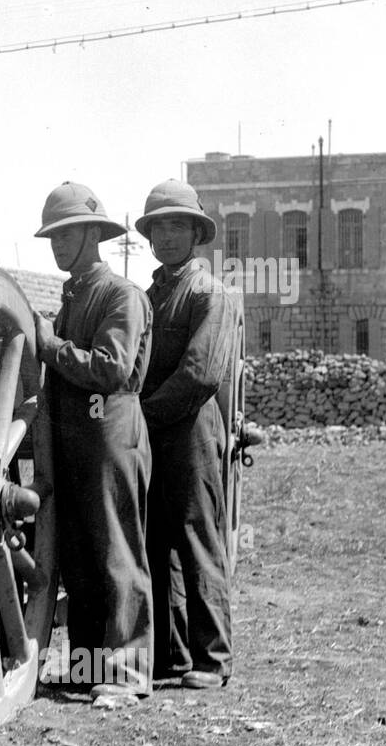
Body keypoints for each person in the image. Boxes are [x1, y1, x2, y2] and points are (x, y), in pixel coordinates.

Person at [32, 182, 154, 699]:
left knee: (116, 554)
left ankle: (127, 675)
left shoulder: (119, 294)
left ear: (93, 235)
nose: (58, 244)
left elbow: (112, 369)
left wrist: (52, 345)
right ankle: (88, 669)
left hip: (110, 437)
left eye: (67, 234)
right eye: (53, 236)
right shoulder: (74, 297)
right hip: (75, 439)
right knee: (79, 560)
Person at [135, 180, 238, 689]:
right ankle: (167, 656)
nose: (167, 236)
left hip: (191, 431)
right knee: (154, 542)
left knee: (198, 539)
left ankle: (212, 659)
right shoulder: (147, 296)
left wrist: (141, 415)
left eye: (178, 225)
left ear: (196, 233)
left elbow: (200, 375)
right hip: (151, 432)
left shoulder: (209, 294)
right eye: (159, 227)